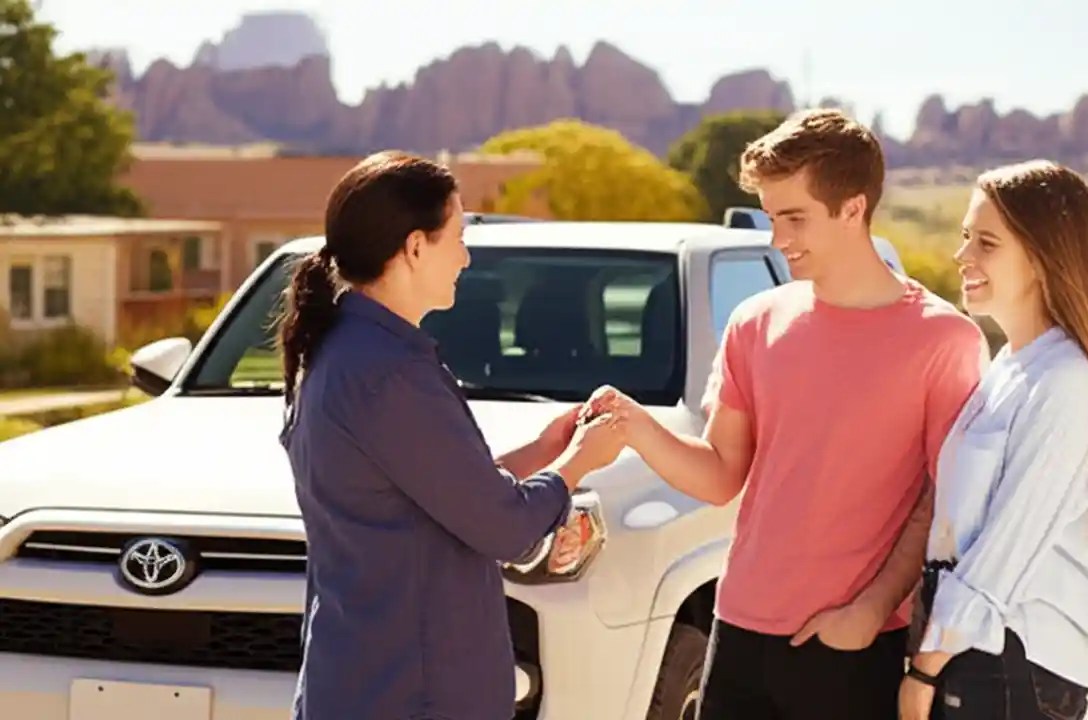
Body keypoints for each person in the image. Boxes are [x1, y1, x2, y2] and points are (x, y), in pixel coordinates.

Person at [586, 109, 987, 719]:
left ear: (853, 209)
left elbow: (940, 502)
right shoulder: (756, 321)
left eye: (795, 218)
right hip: (739, 627)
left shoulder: (943, 341)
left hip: (853, 645)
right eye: (773, 218)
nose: (778, 238)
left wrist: (870, 612)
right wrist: (638, 427)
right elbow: (722, 473)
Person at [276, 150, 624, 720]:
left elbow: (438, 492)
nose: (465, 257)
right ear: (415, 247)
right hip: (413, 692)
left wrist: (545, 450)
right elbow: (503, 526)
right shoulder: (388, 372)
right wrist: (578, 465)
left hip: (361, 681)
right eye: (458, 236)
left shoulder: (342, 352)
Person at [898, 160, 1088, 720]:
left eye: (987, 243)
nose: (963, 257)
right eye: (965, 237)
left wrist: (923, 670)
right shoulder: (1010, 365)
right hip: (975, 654)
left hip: (1011, 665)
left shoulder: (1063, 380)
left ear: (1040, 258)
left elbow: (1005, 550)